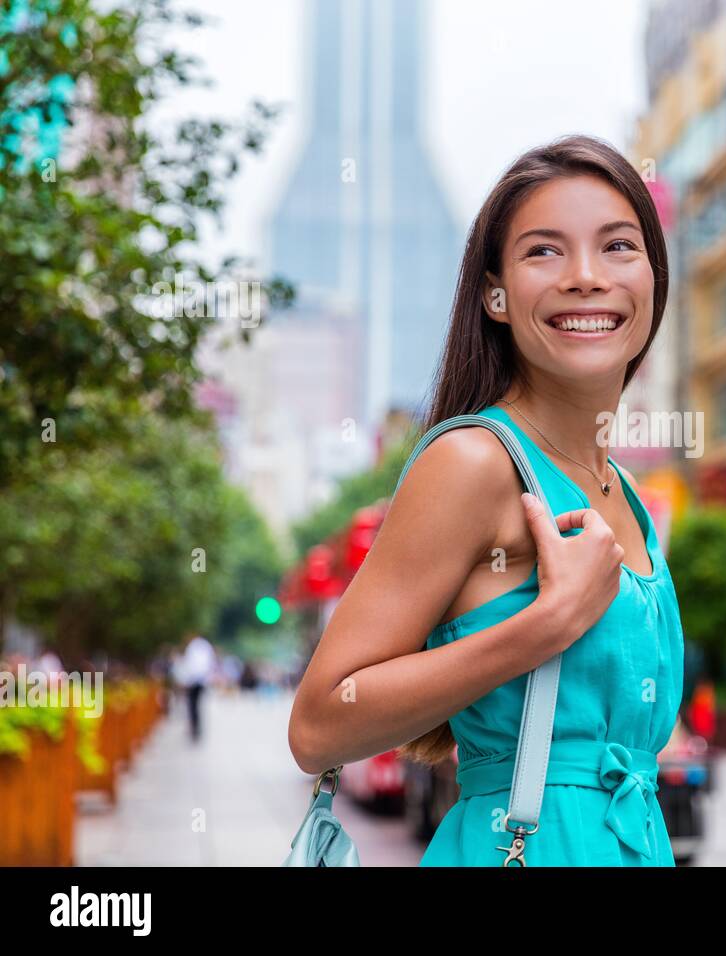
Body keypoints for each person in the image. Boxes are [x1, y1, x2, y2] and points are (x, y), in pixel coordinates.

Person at [288, 136, 684, 867]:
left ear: (654, 279)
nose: (586, 277)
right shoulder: (473, 462)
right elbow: (317, 725)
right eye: (544, 252)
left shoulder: (622, 490)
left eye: (619, 246)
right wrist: (545, 624)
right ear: (494, 295)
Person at [173, 633, 215, 743]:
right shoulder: (205, 646)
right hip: (202, 681)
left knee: (192, 705)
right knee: (196, 706)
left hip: (193, 681)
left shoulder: (193, 647)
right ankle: (196, 727)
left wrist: (187, 680)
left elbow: (191, 665)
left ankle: (194, 727)